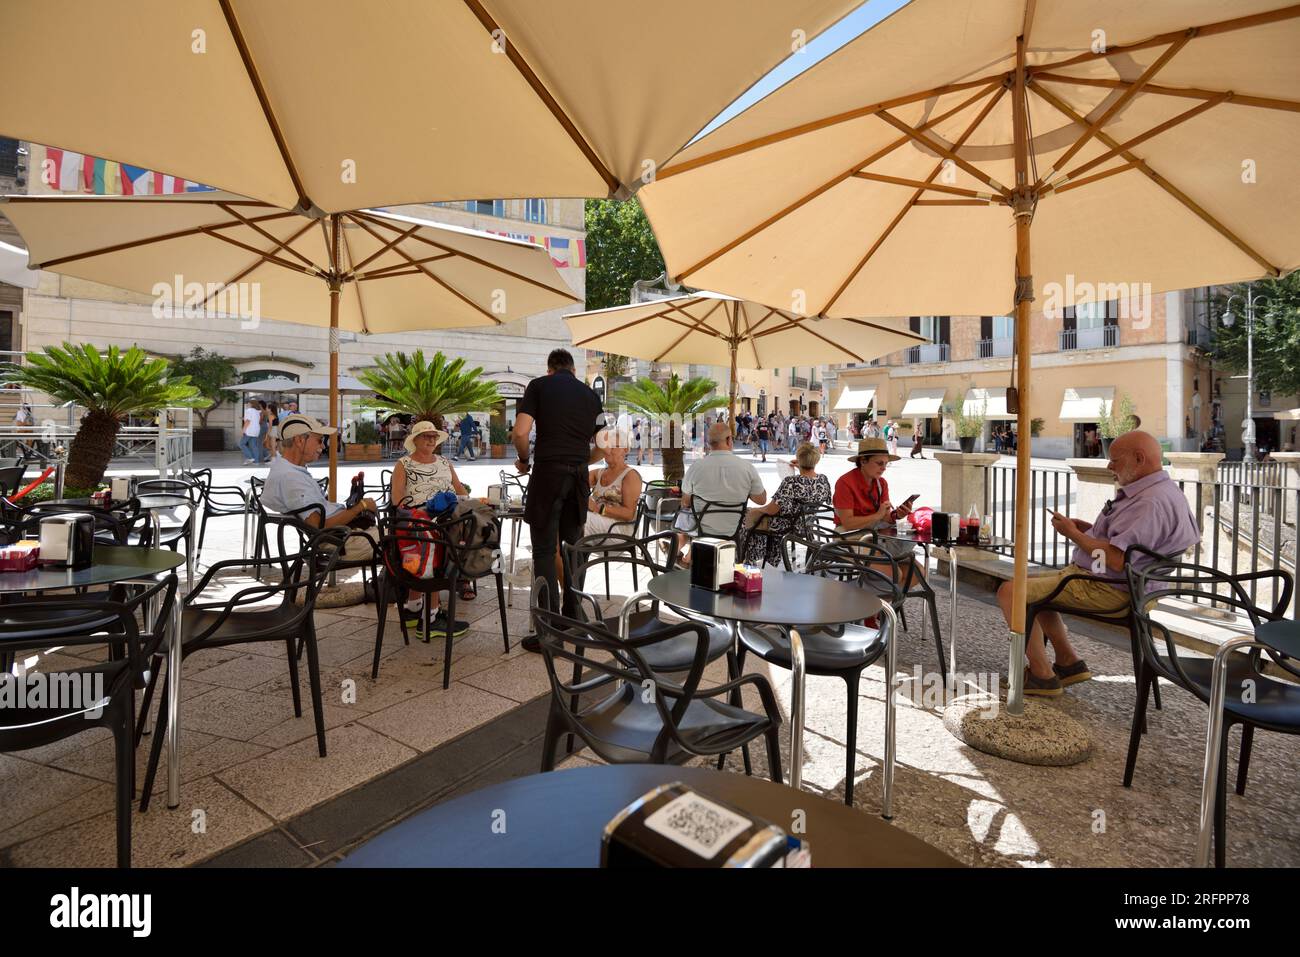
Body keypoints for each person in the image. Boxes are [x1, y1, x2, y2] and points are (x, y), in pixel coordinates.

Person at [997, 430, 1200, 697]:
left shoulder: (1149, 502)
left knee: (1011, 592)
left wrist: (1074, 535)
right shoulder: (1165, 491)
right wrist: (1090, 531)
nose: (1109, 466)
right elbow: (1132, 546)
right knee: (1034, 588)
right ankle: (1068, 662)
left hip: (1110, 589)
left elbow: (1115, 559)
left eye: (1115, 460)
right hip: (1127, 586)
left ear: (1139, 459)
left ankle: (1041, 676)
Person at [514, 349, 605, 651]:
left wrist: (524, 459)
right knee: (572, 546)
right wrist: (582, 460)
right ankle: (573, 619)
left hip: (547, 473)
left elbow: (520, 432)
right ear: (574, 370)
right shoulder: (591, 395)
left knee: (543, 548)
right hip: (577, 477)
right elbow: (605, 445)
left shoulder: (539, 386)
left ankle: (549, 633)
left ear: (550, 368)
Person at [389, 419, 472, 631]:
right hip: (417, 519)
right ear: (414, 440)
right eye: (426, 435)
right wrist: (425, 511)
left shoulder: (445, 462)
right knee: (436, 534)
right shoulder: (403, 464)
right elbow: (397, 501)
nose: (431, 439)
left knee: (470, 525)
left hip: (446, 515)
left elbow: (461, 490)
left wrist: (467, 500)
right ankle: (431, 617)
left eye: (434, 436)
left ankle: (414, 608)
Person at [261, 414, 379, 558]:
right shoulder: (291, 477)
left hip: (342, 536)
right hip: (339, 543)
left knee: (400, 536)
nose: (322, 446)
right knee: (403, 540)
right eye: (319, 440)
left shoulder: (289, 470)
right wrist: (361, 506)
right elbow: (318, 526)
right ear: (299, 440)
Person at [674, 422, 767, 565]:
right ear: (729, 440)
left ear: (709, 442)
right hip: (731, 531)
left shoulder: (696, 467)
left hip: (702, 530)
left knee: (684, 516)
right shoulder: (747, 467)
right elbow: (761, 499)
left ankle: (682, 554)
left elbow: (685, 502)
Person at [833, 437, 925, 581]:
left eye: (886, 464)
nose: (883, 468)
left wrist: (898, 515)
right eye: (879, 463)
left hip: (875, 536)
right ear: (863, 461)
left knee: (918, 571)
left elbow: (886, 517)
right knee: (894, 575)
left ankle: (883, 602)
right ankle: (865, 600)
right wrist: (878, 515)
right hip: (849, 537)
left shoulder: (881, 483)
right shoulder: (845, 483)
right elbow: (848, 524)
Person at [744, 442, 831, 566]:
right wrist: (801, 467)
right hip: (807, 524)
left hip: (788, 526)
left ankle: (749, 558)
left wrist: (755, 510)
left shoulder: (791, 482)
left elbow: (771, 509)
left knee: (747, 516)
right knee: (755, 516)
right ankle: (757, 556)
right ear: (816, 461)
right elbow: (813, 490)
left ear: (799, 458)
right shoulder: (823, 480)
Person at [585, 431, 642, 536]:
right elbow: (575, 481)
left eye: (612, 446)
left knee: (580, 519)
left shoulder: (630, 476)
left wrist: (598, 508)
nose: (607, 450)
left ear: (625, 450)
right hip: (597, 524)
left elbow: (629, 514)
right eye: (605, 446)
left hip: (619, 529)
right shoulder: (599, 473)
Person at [240, 399, 262, 464]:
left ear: (252, 404)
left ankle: (250, 458)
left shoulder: (249, 410)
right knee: (253, 446)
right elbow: (254, 420)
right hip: (256, 430)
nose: (247, 404)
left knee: (242, 444)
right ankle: (256, 461)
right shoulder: (257, 412)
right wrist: (243, 418)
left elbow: (248, 421)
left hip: (249, 430)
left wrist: (243, 430)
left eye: (248, 403)